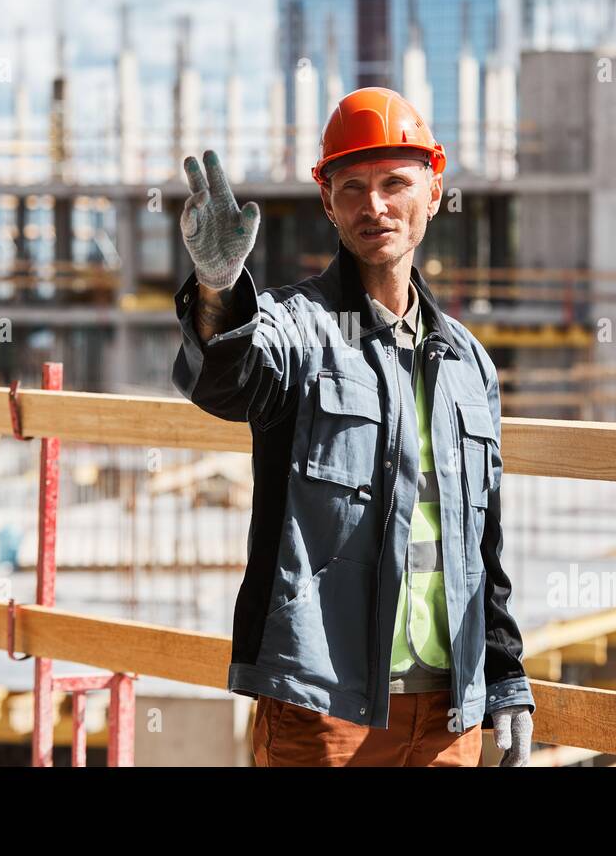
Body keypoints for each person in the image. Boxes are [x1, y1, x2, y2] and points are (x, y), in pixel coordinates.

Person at [171, 86, 535, 766]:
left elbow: (483, 547)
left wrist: (506, 677)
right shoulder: (299, 329)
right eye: (353, 187)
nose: (375, 206)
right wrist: (219, 291)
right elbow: (224, 377)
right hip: (324, 706)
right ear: (328, 202)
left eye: (396, 183)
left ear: (433, 191)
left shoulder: (468, 362)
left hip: (448, 711)